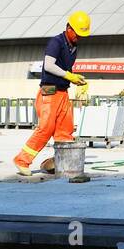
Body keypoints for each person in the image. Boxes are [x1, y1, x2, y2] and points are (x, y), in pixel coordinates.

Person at [14, 11, 91, 176]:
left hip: (63, 92)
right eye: (77, 33)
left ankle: (58, 162)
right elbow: (49, 65)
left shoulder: (73, 47)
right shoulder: (56, 42)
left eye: (81, 35)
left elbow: (64, 70)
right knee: (46, 128)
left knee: (65, 130)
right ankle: (22, 160)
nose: (79, 37)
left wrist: (76, 81)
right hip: (49, 92)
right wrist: (69, 75)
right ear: (69, 28)